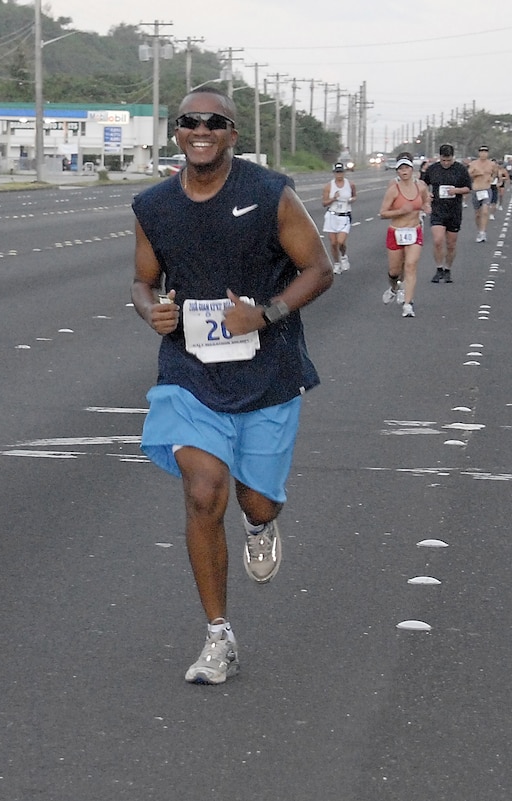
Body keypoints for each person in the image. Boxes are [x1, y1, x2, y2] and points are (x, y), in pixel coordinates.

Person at [130, 87, 333, 686]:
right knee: (203, 492)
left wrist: (265, 314)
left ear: (232, 134)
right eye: (189, 122)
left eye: (214, 122)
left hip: (267, 373)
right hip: (189, 373)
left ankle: (261, 524)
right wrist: (150, 311)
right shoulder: (154, 205)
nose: (201, 131)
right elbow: (142, 281)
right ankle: (218, 636)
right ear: (176, 132)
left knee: (256, 500)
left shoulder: (269, 193)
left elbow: (319, 268)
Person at [377, 152, 430, 318]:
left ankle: (408, 304)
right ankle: (394, 288)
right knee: (394, 271)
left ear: (412, 169)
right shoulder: (393, 190)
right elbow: (382, 213)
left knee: (410, 266)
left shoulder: (421, 186)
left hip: (414, 230)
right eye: (400, 169)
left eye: (406, 168)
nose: (404, 171)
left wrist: (427, 206)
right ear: (397, 172)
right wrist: (400, 211)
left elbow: (426, 200)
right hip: (396, 231)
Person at [421, 143, 472, 284]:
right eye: (443, 160)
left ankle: (447, 269)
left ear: (453, 158)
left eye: (448, 160)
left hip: (454, 210)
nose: (446, 163)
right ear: (440, 157)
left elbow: (468, 188)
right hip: (438, 209)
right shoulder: (433, 169)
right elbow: (422, 184)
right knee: (438, 241)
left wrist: (456, 191)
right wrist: (427, 194)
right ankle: (438, 269)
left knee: (451, 244)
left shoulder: (460, 169)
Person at [322, 162, 356, 274]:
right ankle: (336, 264)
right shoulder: (329, 186)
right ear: (334, 173)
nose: (339, 174)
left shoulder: (350, 184)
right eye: (337, 172)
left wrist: (351, 199)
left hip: (344, 215)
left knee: (341, 241)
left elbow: (354, 196)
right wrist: (333, 199)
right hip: (332, 215)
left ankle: (343, 256)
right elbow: (324, 203)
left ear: (344, 172)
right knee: (333, 243)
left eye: (341, 172)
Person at [467, 145, 497, 243]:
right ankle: (479, 230)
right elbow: (468, 175)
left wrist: (492, 178)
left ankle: (483, 232)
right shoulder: (473, 164)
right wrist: (476, 174)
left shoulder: (492, 164)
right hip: (476, 189)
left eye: (485, 152)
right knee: (477, 214)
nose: (483, 153)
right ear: (479, 153)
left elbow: (495, 173)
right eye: (482, 151)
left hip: (486, 189)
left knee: (485, 211)